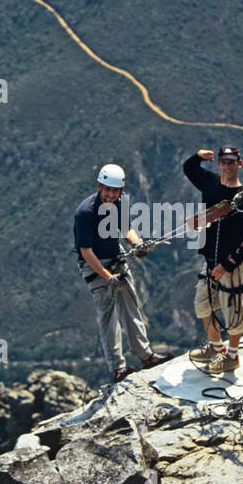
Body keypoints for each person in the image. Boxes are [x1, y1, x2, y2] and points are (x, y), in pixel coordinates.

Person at [73, 163, 172, 383]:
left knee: (130, 304)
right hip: (94, 264)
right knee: (108, 313)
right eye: (107, 189)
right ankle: (118, 368)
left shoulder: (120, 203)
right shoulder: (85, 213)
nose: (110, 195)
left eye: (115, 191)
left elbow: (125, 228)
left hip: (114, 256)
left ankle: (145, 355)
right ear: (99, 186)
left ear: (120, 191)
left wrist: (137, 244)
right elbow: (86, 252)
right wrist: (108, 278)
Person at [183, 146, 243, 375]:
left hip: (228, 263)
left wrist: (227, 265)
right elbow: (189, 169)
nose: (227, 166)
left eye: (231, 163)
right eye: (223, 162)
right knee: (203, 305)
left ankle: (232, 356)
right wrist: (197, 156)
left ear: (239, 164)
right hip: (210, 259)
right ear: (219, 164)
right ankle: (216, 348)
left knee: (233, 310)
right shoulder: (211, 182)